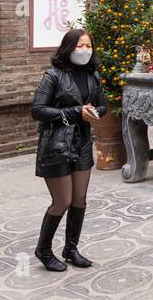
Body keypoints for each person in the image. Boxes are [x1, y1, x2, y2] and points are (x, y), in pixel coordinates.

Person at [31, 29, 104, 272]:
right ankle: (43, 249)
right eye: (80, 46)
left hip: (81, 142)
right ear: (68, 48)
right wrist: (74, 112)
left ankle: (71, 248)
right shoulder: (53, 75)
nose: (85, 50)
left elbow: (102, 105)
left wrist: (95, 112)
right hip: (57, 144)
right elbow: (38, 110)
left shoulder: (93, 75)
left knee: (79, 200)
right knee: (61, 201)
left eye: (88, 45)